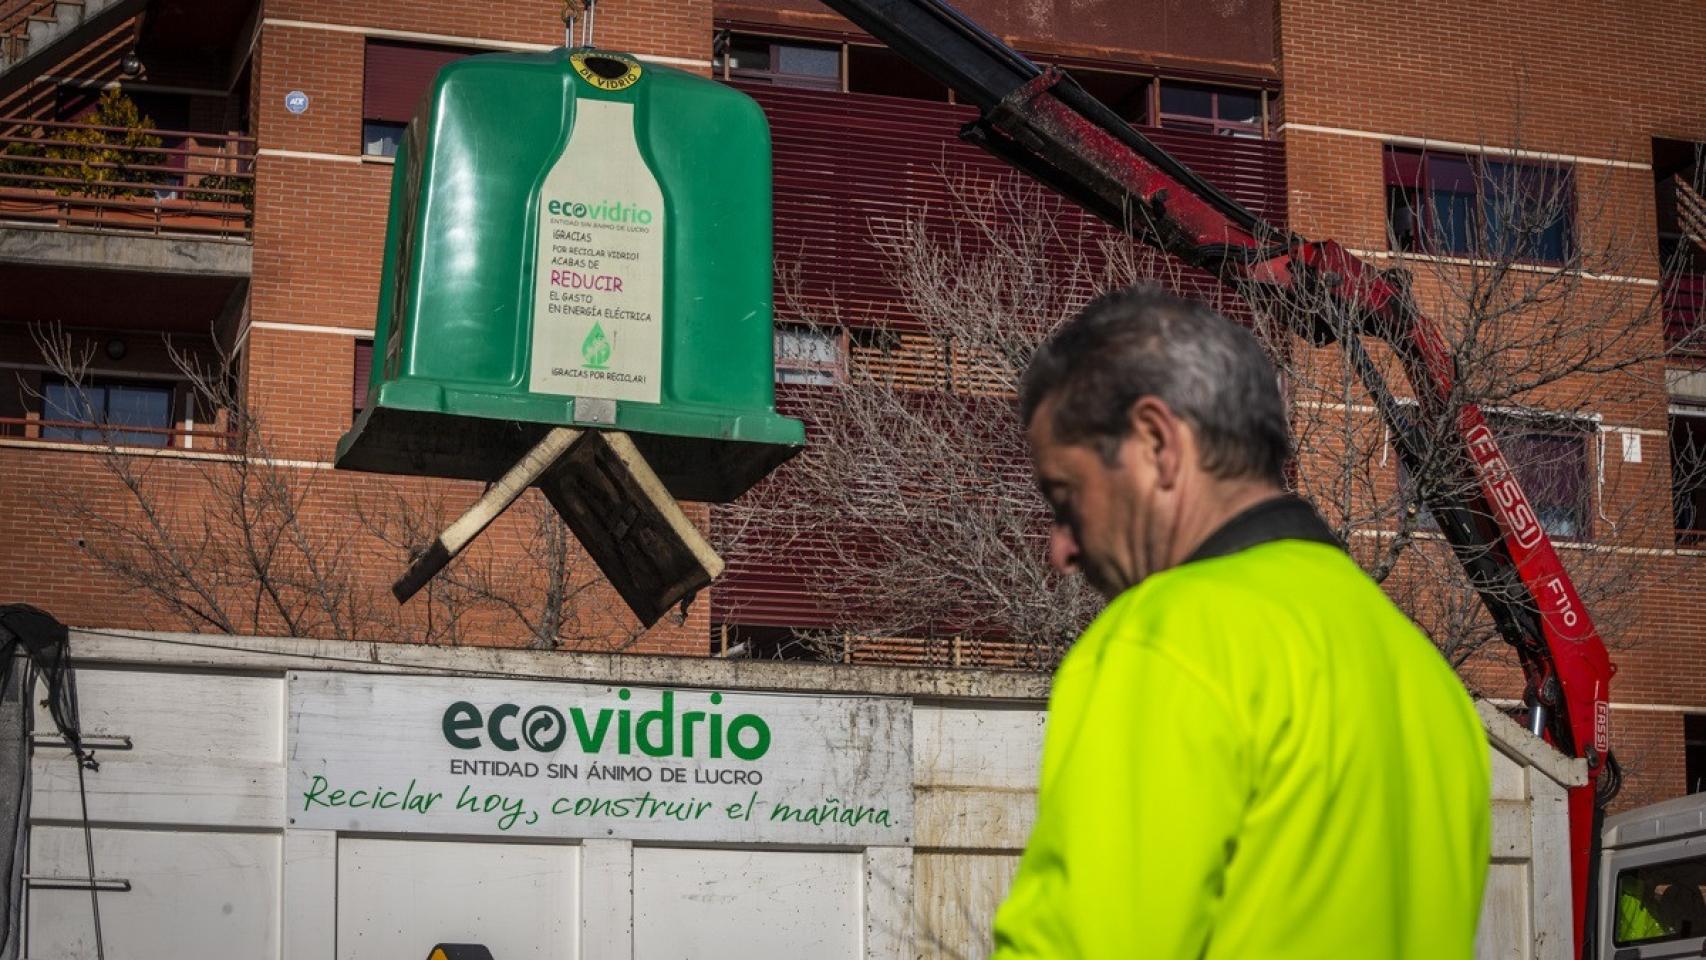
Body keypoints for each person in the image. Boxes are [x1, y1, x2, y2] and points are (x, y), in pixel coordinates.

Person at [990, 286, 1491, 959]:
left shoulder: (1164, 638)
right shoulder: (1427, 679)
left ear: (1157, 443)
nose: (1061, 549)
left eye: (1065, 497)